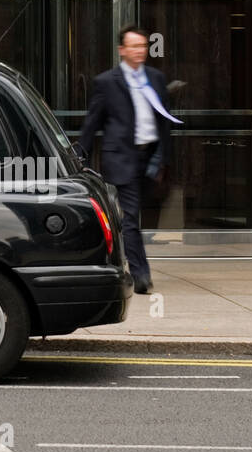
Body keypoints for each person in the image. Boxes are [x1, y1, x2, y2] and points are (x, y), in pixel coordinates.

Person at [77, 25, 180, 295]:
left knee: (132, 219)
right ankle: (141, 274)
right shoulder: (107, 82)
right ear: (122, 50)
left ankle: (114, 262)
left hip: (150, 160)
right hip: (121, 158)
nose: (139, 51)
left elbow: (164, 122)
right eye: (133, 46)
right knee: (131, 218)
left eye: (142, 46)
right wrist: (79, 153)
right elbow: (93, 122)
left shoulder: (156, 78)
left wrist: (164, 160)